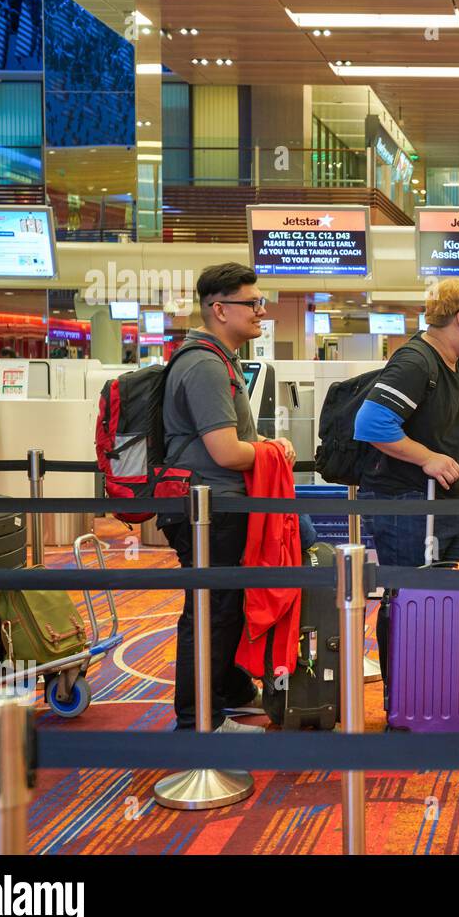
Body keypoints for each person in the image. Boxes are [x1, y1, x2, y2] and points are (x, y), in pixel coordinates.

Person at [161, 262, 296, 733]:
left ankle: (230, 693)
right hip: (208, 511)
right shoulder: (203, 365)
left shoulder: (221, 359)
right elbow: (225, 450)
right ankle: (197, 720)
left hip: (220, 508)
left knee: (226, 606)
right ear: (219, 309)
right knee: (210, 613)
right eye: (251, 303)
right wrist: (271, 449)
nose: (261, 311)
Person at [353, 278, 459, 568]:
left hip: (451, 503)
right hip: (408, 505)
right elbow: (370, 423)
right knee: (414, 603)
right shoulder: (415, 362)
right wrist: (427, 458)